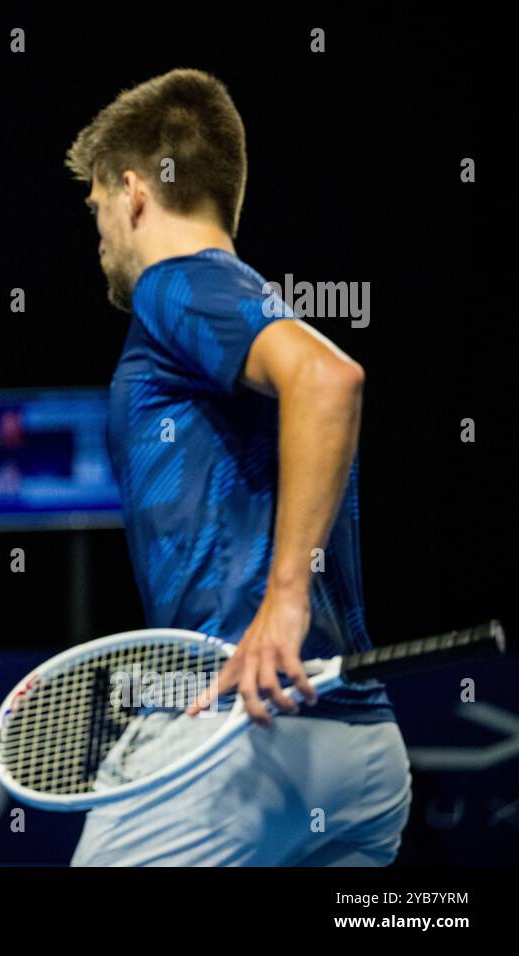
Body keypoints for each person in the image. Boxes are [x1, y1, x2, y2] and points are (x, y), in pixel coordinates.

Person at [63, 69, 411, 865]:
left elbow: (331, 379)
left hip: (236, 737)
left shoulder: (175, 286)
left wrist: (284, 601)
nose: (100, 237)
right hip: (358, 750)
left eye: (97, 211)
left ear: (134, 192)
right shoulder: (242, 298)